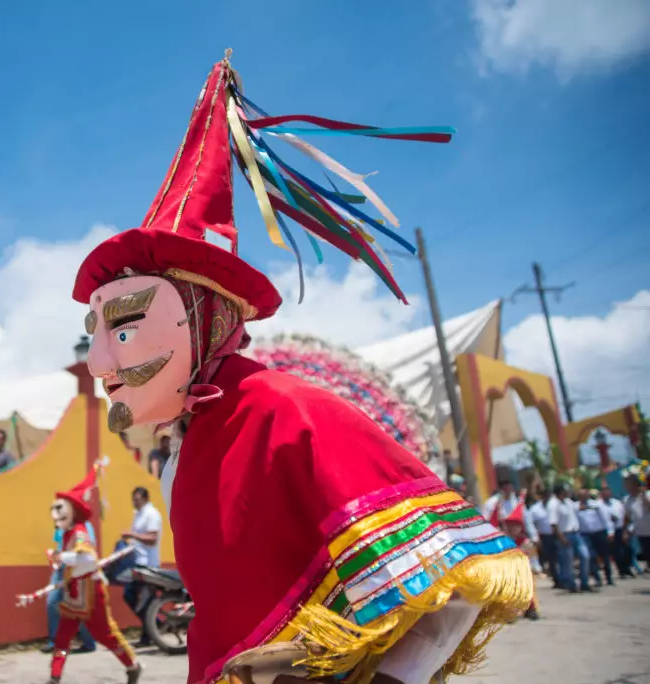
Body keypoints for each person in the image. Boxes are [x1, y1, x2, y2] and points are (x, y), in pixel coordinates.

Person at [71, 53, 532, 684]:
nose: (100, 361)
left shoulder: (289, 411)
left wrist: (395, 678)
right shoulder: (186, 444)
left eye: (124, 327)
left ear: (201, 321)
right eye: (93, 332)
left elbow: (458, 569)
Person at [23, 461, 142, 684]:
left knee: (104, 635)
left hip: (90, 592)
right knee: (63, 636)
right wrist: (58, 561)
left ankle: (132, 665)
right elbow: (74, 561)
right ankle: (55, 678)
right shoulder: (67, 533)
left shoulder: (78, 533)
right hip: (73, 592)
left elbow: (88, 559)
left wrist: (62, 558)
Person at [43, 521, 97, 655]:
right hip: (61, 569)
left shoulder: (84, 526)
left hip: (77, 569)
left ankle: (89, 642)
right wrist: (54, 555)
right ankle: (54, 642)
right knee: (52, 602)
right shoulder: (60, 524)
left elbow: (87, 548)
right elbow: (59, 545)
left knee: (80, 606)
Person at [122, 487, 163, 647]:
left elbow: (152, 538)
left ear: (145, 498)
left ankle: (149, 634)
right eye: (134, 499)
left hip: (149, 564)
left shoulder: (151, 514)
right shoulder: (138, 513)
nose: (135, 502)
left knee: (145, 601)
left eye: (137, 499)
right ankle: (154, 626)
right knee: (130, 596)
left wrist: (132, 535)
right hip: (138, 562)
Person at [549, 482, 592, 593]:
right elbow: (553, 524)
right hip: (564, 535)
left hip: (576, 533)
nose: (567, 492)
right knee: (567, 561)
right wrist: (562, 538)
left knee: (585, 555)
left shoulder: (568, 502)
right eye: (565, 490)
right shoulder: (553, 504)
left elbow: (579, 507)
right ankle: (571, 584)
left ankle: (584, 582)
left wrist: (588, 503)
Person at [577, 488, 614, 587]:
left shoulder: (596, 505)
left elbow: (606, 519)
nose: (583, 498)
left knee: (604, 556)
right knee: (591, 557)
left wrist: (610, 531)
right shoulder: (576, 507)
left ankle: (609, 577)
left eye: (584, 495)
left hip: (599, 533)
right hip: (586, 535)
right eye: (581, 496)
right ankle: (597, 578)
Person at [600, 487, 635, 578]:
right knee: (616, 553)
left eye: (607, 492)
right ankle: (622, 571)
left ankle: (627, 568)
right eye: (604, 493)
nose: (606, 494)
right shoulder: (599, 505)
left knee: (628, 550)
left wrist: (626, 530)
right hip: (608, 531)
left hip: (620, 529)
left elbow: (625, 516)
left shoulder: (617, 503)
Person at [529, 487, 560, 587]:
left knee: (560, 557)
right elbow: (531, 523)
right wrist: (535, 537)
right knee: (551, 558)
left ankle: (564, 577)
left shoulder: (555, 505)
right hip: (545, 536)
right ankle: (557, 580)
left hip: (558, 534)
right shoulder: (535, 509)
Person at [623, 473, 650, 572]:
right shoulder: (627, 500)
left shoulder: (648, 494)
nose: (626, 487)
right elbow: (627, 517)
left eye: (628, 484)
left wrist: (644, 496)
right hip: (642, 533)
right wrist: (626, 531)